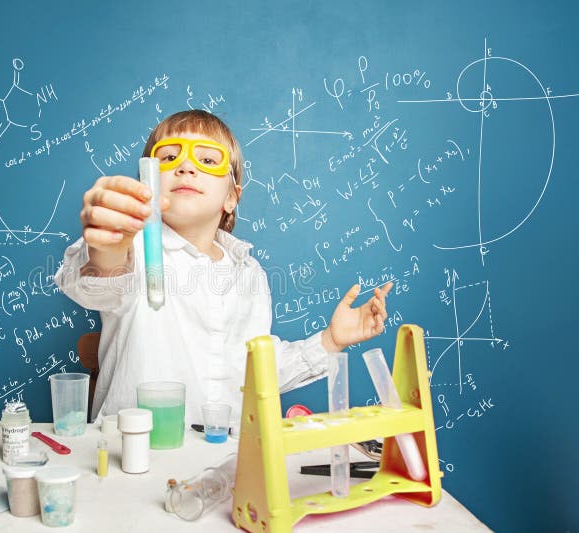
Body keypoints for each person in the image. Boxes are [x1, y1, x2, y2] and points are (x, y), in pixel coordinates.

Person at [55, 109, 392, 429]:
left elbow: (257, 370)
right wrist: (107, 245)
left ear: (231, 197)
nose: (186, 166)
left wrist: (330, 341)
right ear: (148, 183)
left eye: (207, 160)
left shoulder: (249, 273)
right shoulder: (136, 249)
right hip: (137, 459)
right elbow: (96, 283)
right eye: (169, 157)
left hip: (224, 461)